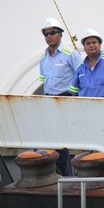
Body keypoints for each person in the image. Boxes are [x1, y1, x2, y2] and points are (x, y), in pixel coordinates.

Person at [39, 17, 82, 176]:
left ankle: (65, 175)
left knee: (61, 141)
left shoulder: (71, 54)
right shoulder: (43, 59)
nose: (49, 36)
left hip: (65, 101)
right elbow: (45, 83)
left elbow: (81, 77)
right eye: (46, 33)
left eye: (52, 32)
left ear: (60, 35)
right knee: (53, 140)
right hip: (49, 102)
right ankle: (60, 174)